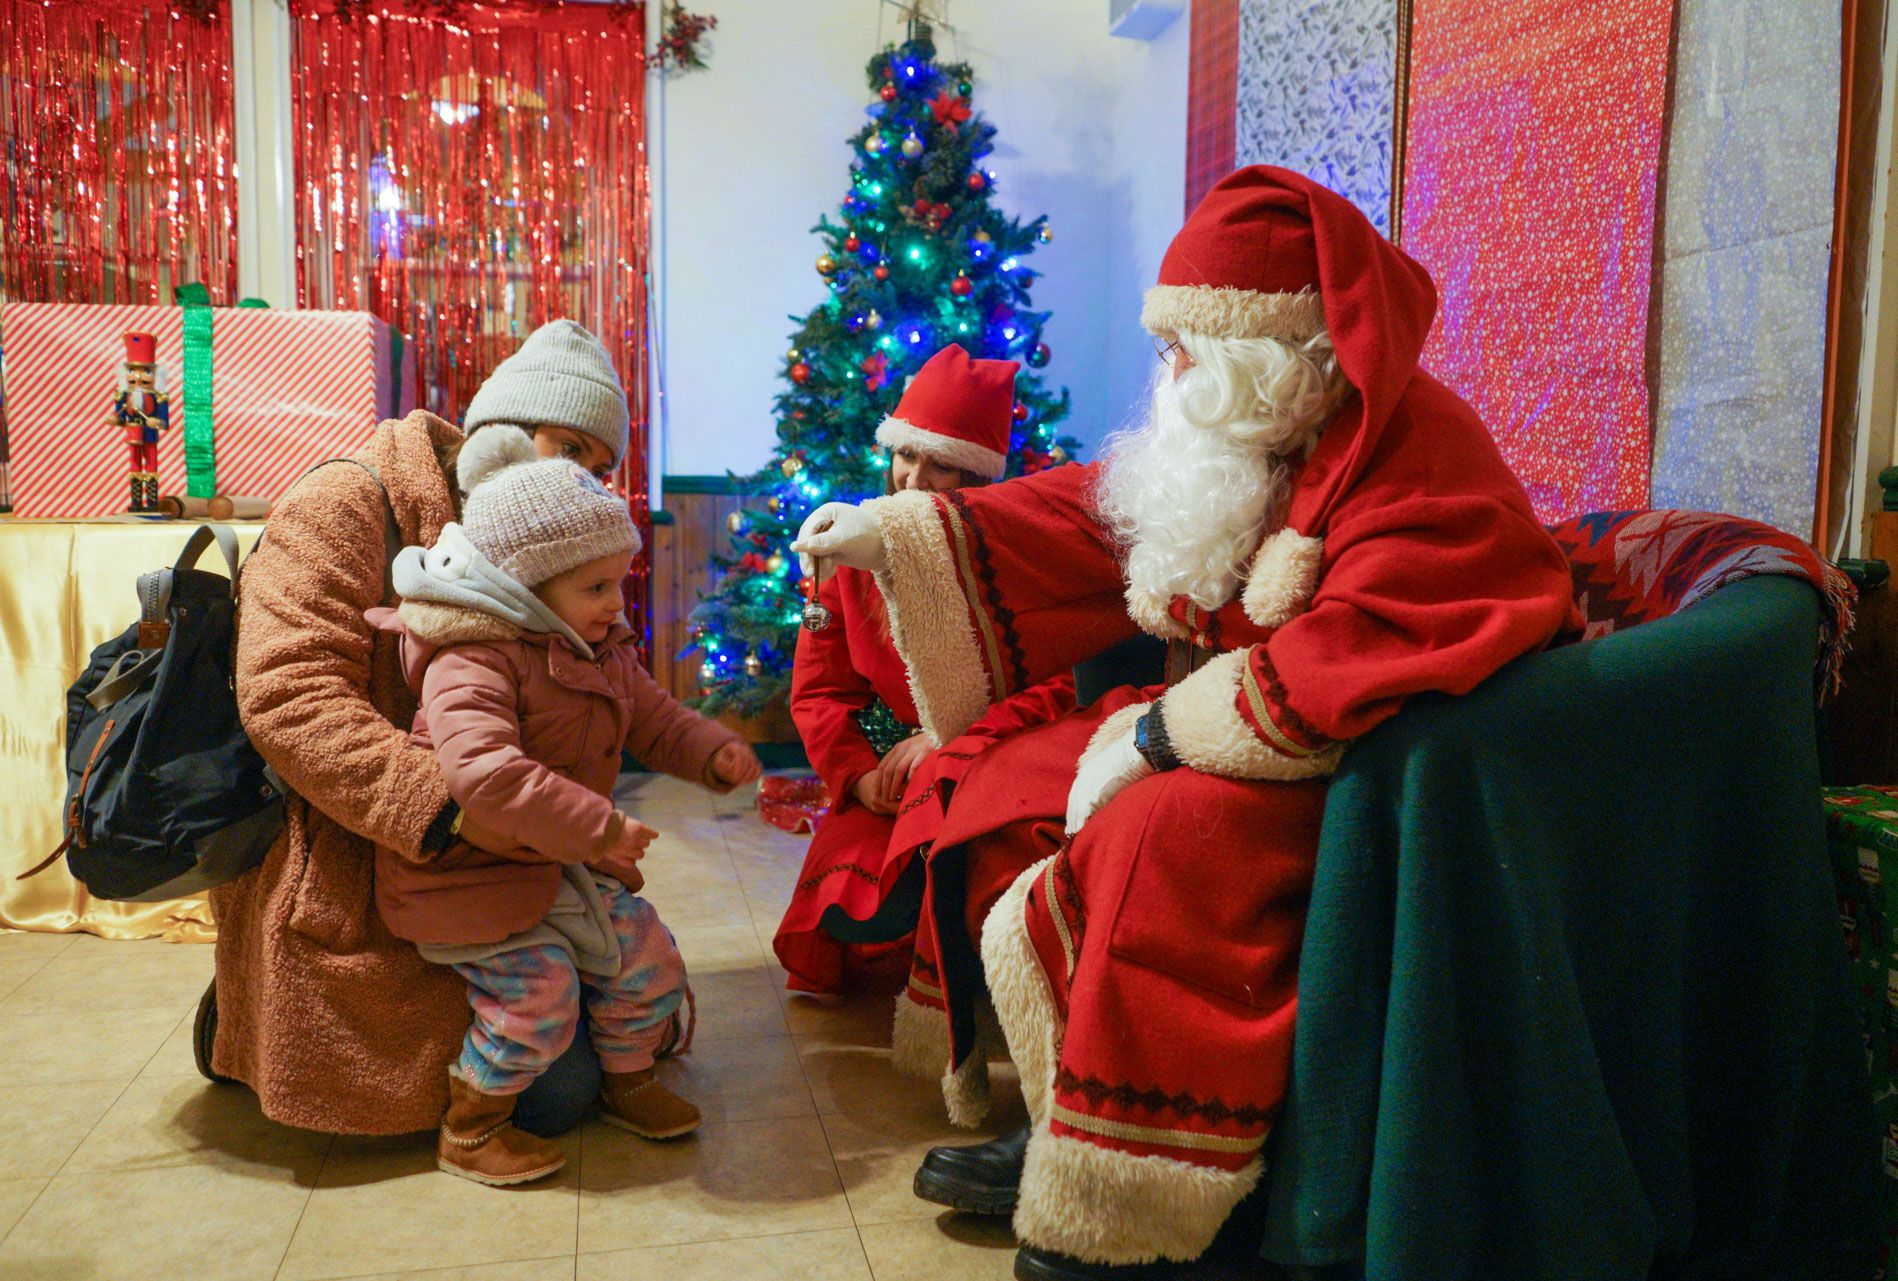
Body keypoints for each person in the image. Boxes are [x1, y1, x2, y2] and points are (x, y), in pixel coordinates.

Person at [793, 167, 1582, 1280]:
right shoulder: (1262, 429)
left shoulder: (1417, 449)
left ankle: (1150, 1194)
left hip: (1366, 767)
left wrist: (1160, 738)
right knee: (1007, 779)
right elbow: (1092, 507)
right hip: (1260, 727)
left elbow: (1381, 639)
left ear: (1268, 358)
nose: (1167, 377)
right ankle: (1079, 1120)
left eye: (1185, 354)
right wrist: (898, 530)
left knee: (1164, 838)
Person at [211, 319, 658, 1137]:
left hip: (513, 859)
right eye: (568, 449)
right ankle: (245, 1008)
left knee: (620, 1026)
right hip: (365, 855)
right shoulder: (344, 503)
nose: (584, 482)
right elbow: (287, 694)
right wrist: (450, 806)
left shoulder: (548, 535)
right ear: (497, 438)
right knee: (555, 1092)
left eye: (600, 470)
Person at [368, 425, 759, 1184]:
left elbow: (652, 715)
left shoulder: (597, 643)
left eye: (620, 584)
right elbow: (484, 775)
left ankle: (628, 1077)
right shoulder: (469, 656)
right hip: (469, 875)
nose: (617, 607)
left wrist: (708, 751)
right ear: (524, 585)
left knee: (651, 959)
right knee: (539, 994)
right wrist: (598, 825)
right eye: (596, 588)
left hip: (555, 861)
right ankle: (472, 1128)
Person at [776, 344, 1072, 996]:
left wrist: (942, 736)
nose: (912, 479)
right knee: (842, 915)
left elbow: (1057, 684)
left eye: (942, 466)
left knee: (947, 879)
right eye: (907, 454)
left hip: (988, 762)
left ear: (980, 480)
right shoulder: (850, 550)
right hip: (887, 773)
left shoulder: (1013, 554)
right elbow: (821, 687)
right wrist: (854, 776)